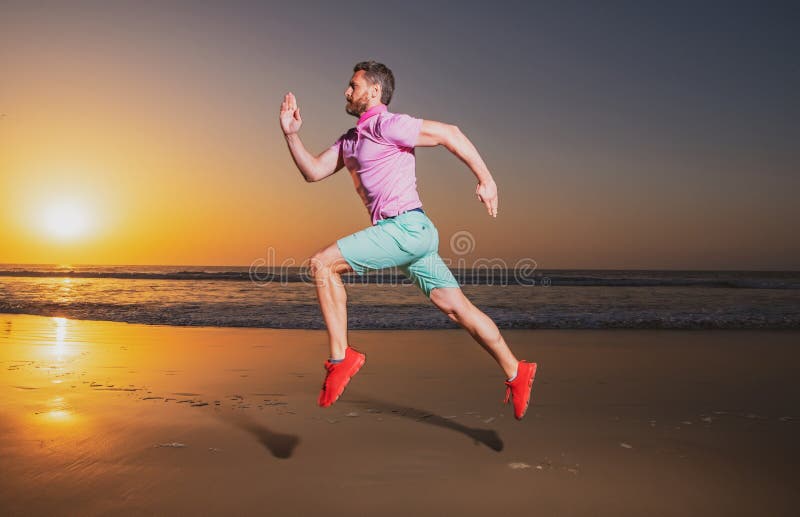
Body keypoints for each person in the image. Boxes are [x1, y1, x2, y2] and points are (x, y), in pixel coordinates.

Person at [279, 60, 537, 419]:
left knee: (322, 264)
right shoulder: (350, 140)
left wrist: (486, 180)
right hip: (411, 238)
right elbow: (313, 171)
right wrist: (291, 135)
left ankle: (341, 358)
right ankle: (516, 371)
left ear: (374, 91)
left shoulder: (387, 124)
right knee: (457, 309)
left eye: (354, 86)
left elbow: (450, 133)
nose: (347, 91)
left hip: (406, 229)